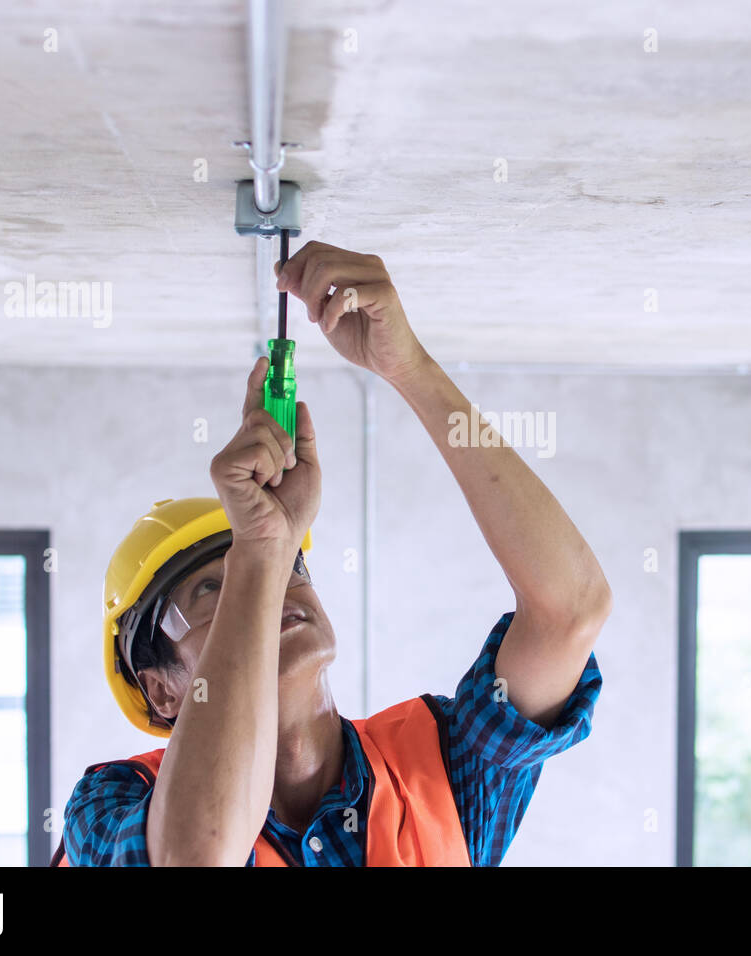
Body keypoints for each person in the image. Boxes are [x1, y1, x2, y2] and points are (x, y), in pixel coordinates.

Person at [54, 242, 612, 866]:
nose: (276, 588)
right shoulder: (110, 804)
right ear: (161, 691)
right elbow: (195, 855)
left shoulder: (443, 771)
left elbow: (570, 611)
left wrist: (410, 367)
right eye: (213, 590)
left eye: (293, 564)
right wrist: (263, 550)